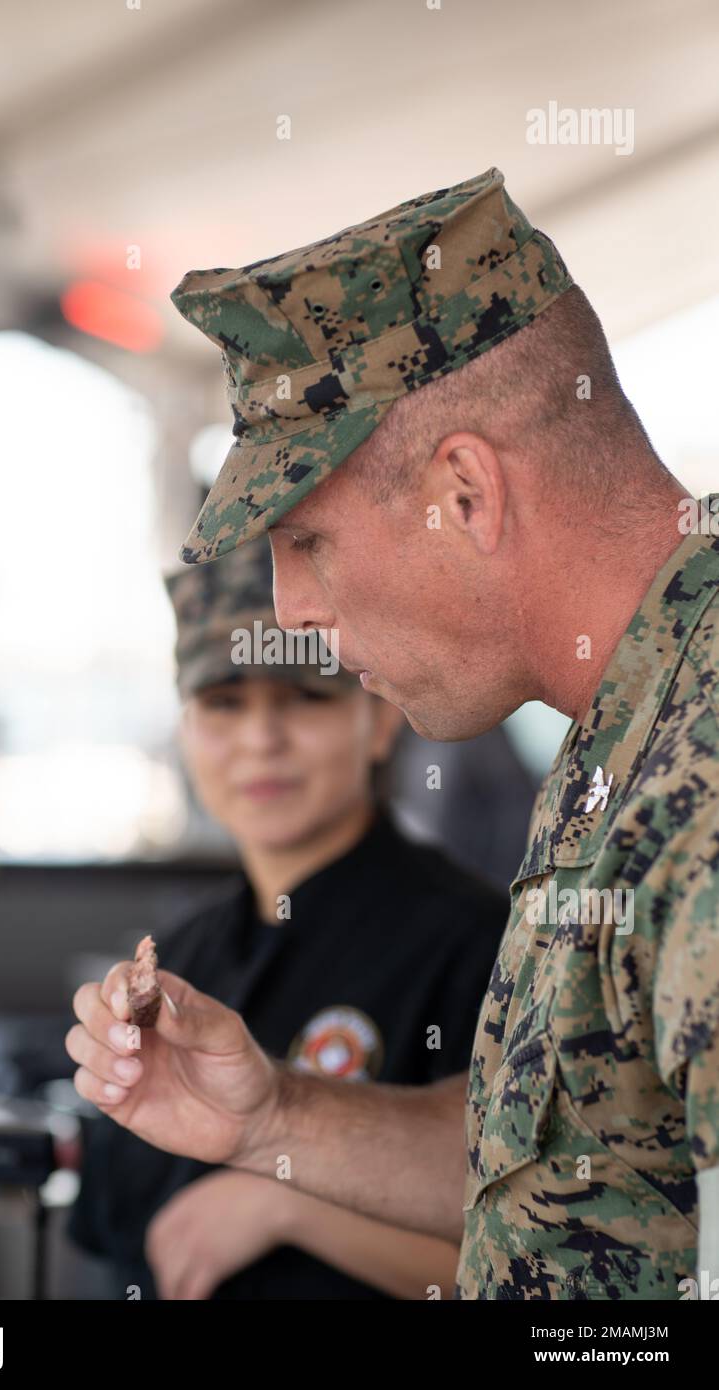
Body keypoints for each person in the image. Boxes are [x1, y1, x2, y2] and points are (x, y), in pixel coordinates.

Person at [66, 166, 719, 1300]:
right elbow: (582, 1166)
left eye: (307, 539)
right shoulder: (625, 731)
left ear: (465, 492)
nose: (290, 613)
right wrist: (275, 1116)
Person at [68, 536, 505, 1299]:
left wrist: (290, 1204)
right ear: (187, 733)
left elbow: (557, 1257)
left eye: (302, 699)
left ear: (378, 721)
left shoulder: (476, 944)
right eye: (224, 703)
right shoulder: (181, 957)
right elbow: (111, 1228)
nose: (260, 741)